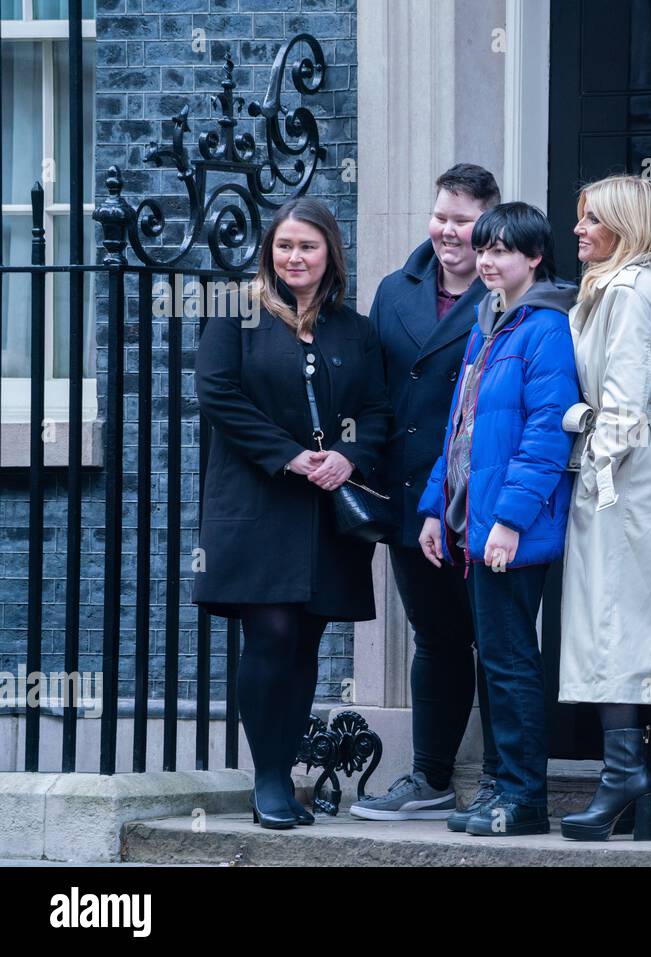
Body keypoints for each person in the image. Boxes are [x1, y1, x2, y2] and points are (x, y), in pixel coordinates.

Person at [194, 197, 392, 829]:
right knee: (271, 632)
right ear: (269, 253)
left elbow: (378, 409)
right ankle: (271, 777)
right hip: (257, 500)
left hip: (326, 511)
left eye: (308, 246)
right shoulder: (238, 316)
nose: (294, 257)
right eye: (284, 246)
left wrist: (349, 455)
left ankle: (283, 772)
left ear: (330, 252)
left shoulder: (354, 330)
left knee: (305, 637)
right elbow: (217, 394)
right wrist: (289, 457)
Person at [417, 202, 579, 836]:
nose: (485, 260)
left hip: (510, 529)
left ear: (534, 259)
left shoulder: (544, 328)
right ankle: (500, 792)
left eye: (502, 250)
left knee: (510, 663)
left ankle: (523, 800)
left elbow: (547, 435)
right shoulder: (491, 323)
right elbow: (460, 430)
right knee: (497, 661)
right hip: (474, 523)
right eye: (482, 248)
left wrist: (509, 521)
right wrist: (436, 508)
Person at [349, 164, 504, 827]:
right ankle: (430, 776)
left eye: (463, 220)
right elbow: (373, 392)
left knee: (498, 642)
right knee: (436, 640)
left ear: (489, 224)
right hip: (412, 497)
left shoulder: (509, 291)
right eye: (441, 215)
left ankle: (505, 777)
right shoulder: (394, 290)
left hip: (482, 499)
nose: (447, 230)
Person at [558, 175, 651, 842]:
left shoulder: (628, 290)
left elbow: (622, 396)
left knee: (615, 617)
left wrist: (593, 459)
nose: (580, 228)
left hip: (632, 465)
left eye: (593, 219)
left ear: (625, 226)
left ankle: (623, 776)